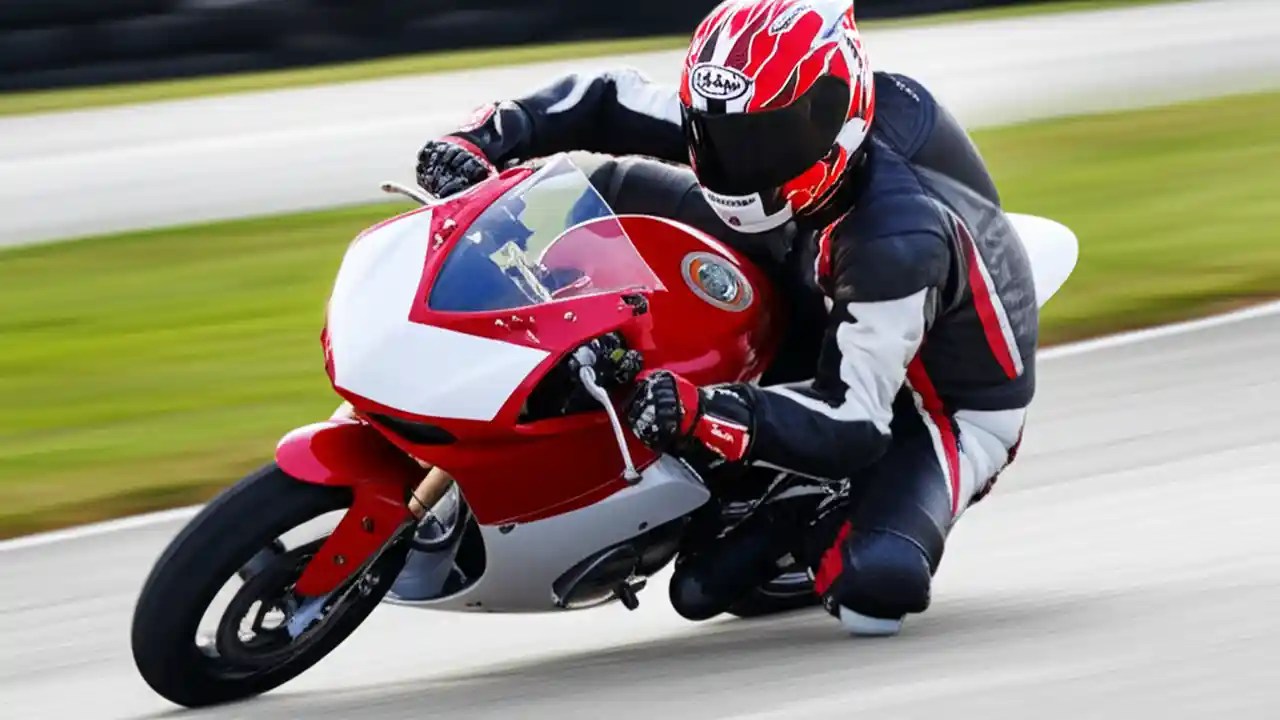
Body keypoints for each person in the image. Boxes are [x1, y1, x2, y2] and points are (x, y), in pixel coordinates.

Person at [413, 0, 1038, 636]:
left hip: (936, 405)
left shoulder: (895, 241)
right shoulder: (763, 121)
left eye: (763, 140)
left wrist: (704, 410)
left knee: (868, 586)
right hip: (810, 251)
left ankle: (806, 507)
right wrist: (482, 138)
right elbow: (607, 99)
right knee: (607, 187)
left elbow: (855, 420)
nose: (737, 162)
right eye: (718, 136)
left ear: (837, 114)